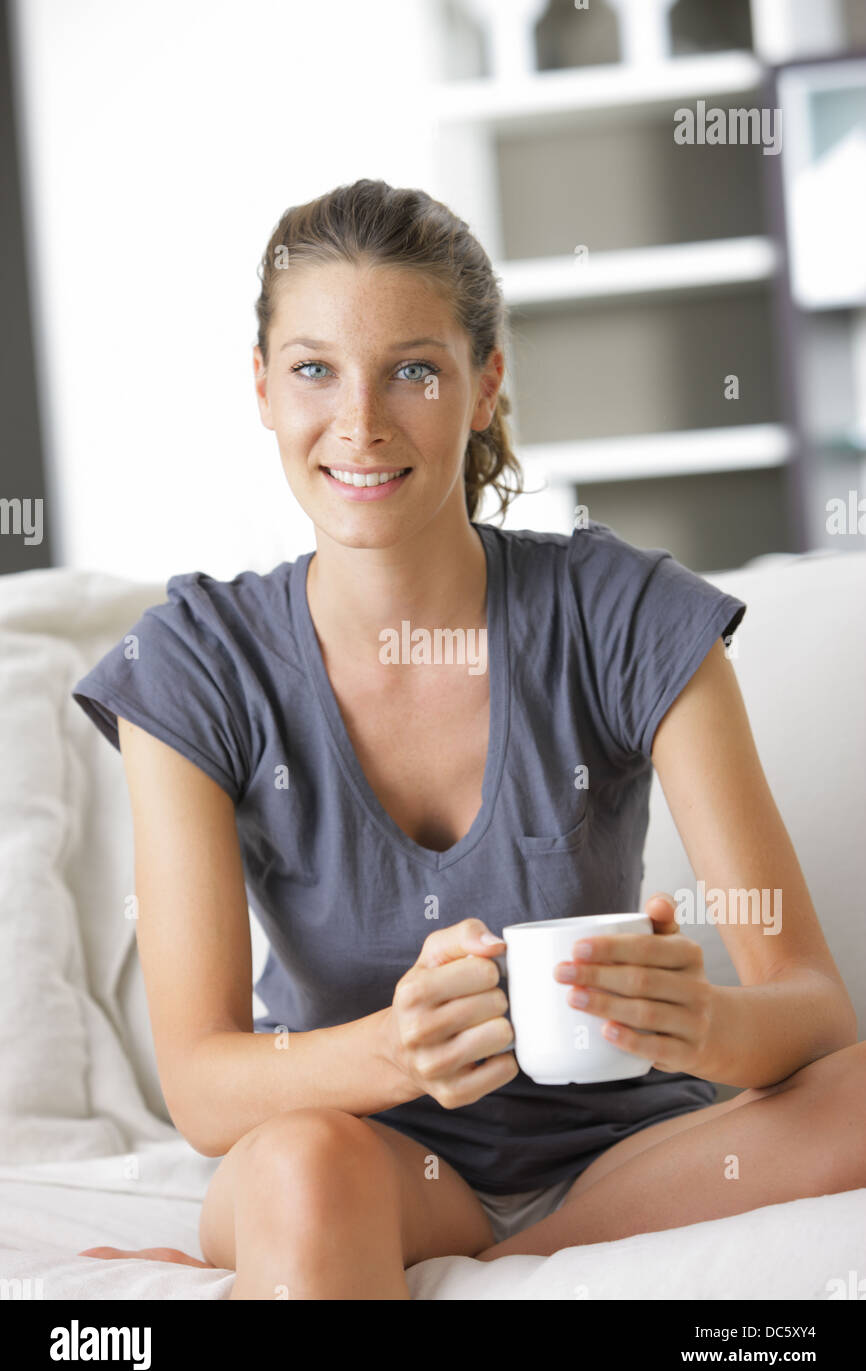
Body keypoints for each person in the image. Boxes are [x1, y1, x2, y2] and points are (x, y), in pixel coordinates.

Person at [72, 179, 864, 1300]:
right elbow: (203, 1086)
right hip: (366, 1158)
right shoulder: (197, 660)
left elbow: (812, 1008)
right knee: (301, 1168)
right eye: (312, 369)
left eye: (412, 368)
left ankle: (492, 1264)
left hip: (624, 1154)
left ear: (484, 382)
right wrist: (392, 1050)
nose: (359, 421)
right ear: (260, 386)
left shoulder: (624, 613)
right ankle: (433, 1244)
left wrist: (701, 1023)